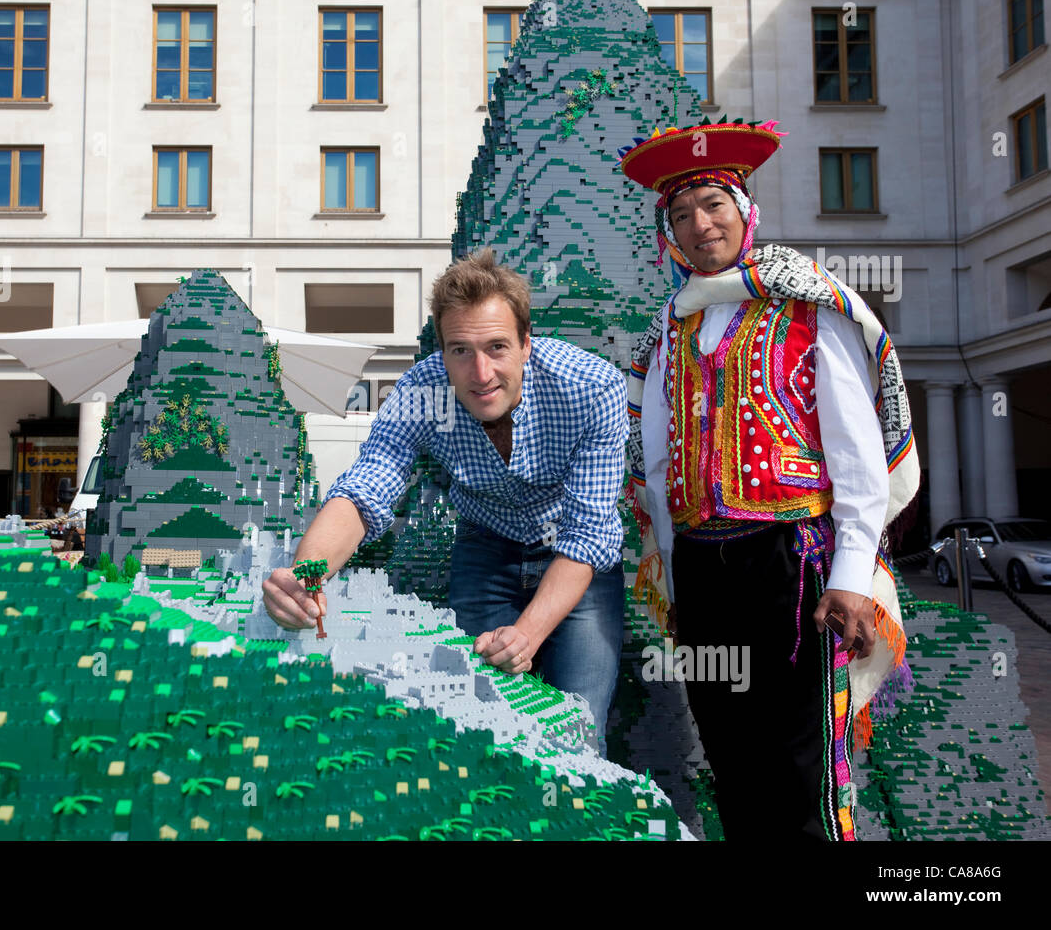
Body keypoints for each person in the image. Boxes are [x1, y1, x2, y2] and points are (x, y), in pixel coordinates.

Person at [619, 120, 919, 840]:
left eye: (713, 205)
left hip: (792, 564)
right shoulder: (669, 330)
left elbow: (856, 454)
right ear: (670, 234)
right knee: (729, 749)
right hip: (701, 566)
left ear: (746, 212)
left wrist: (850, 574)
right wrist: (671, 570)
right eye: (682, 214)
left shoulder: (808, 306)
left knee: (799, 757)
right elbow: (657, 465)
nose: (700, 224)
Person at [262, 249, 628, 756]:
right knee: (475, 727)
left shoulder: (591, 387)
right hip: (487, 549)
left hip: (576, 560)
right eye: (460, 350)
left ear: (526, 343)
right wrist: (305, 578)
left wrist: (525, 636)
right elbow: (368, 486)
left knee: (580, 732)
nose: (480, 373)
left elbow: (589, 532)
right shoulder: (421, 389)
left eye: (497, 347)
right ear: (441, 350)